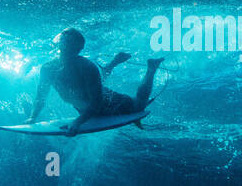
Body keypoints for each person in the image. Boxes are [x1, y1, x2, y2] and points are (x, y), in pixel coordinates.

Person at [26, 28, 163, 136]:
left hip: (109, 103)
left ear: (78, 49)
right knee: (92, 86)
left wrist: (78, 122)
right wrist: (33, 117)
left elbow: (97, 102)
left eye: (70, 46)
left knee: (139, 104)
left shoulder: (87, 67)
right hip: (85, 107)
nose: (67, 49)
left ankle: (151, 69)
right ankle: (113, 64)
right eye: (65, 44)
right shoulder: (48, 68)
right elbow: (40, 96)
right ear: (60, 45)